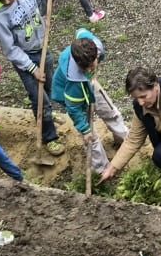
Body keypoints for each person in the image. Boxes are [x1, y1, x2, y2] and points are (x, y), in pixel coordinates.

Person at [0, 0, 65, 156]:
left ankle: (44, 117)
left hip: (43, 48)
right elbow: (10, 49)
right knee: (39, 98)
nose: (6, 1)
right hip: (25, 59)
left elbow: (42, 4)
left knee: (49, 88)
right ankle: (49, 137)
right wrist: (32, 68)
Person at [51, 29, 128, 172]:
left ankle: (125, 142)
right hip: (72, 96)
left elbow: (80, 31)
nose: (91, 68)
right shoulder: (75, 82)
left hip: (89, 83)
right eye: (86, 68)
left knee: (110, 111)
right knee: (91, 138)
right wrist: (84, 129)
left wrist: (90, 76)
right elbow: (73, 108)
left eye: (93, 64)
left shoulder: (92, 45)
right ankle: (102, 169)